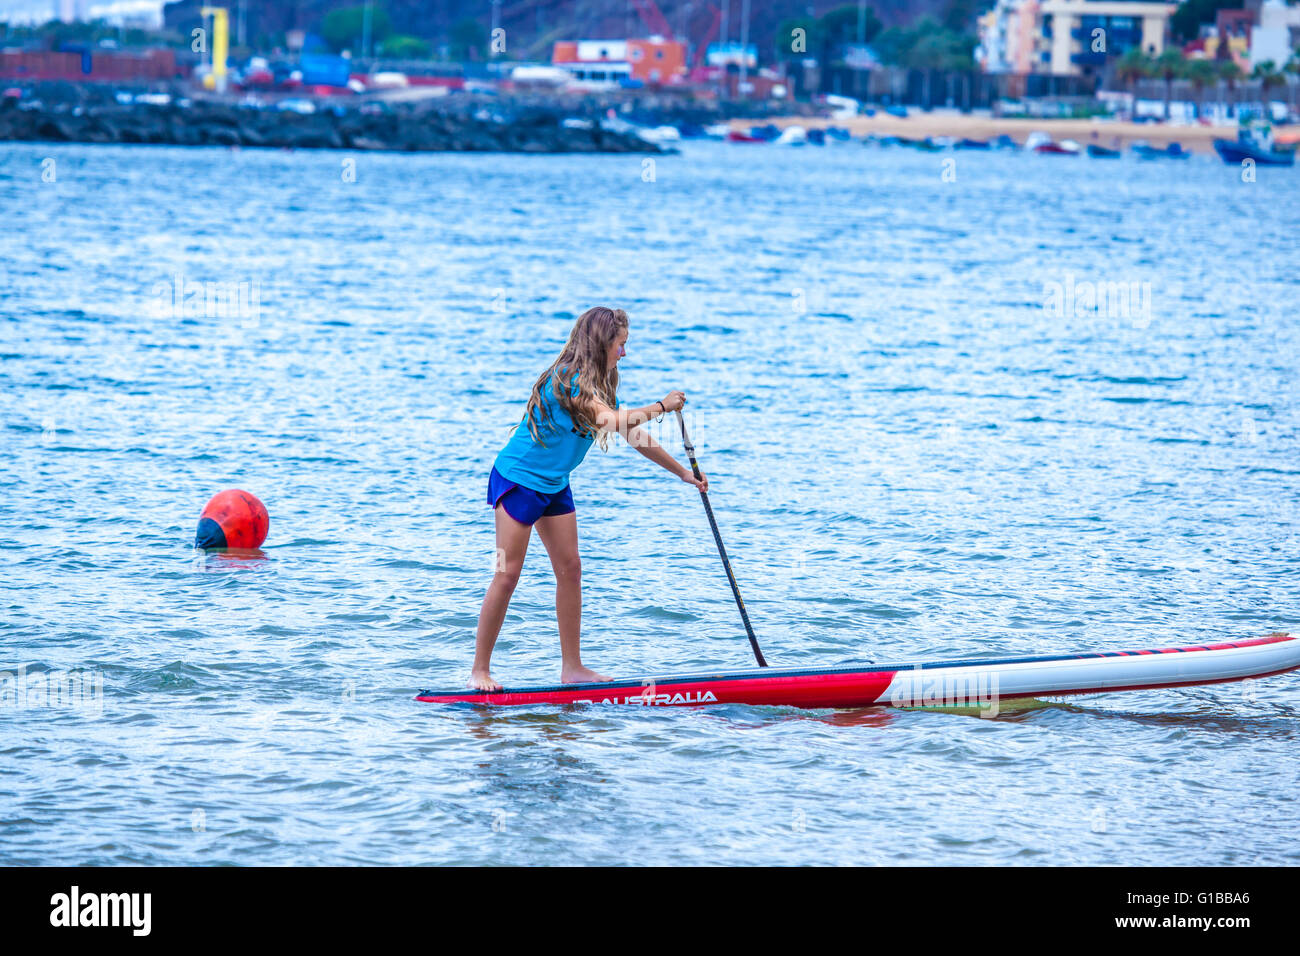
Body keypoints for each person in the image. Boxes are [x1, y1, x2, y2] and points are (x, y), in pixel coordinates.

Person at [469, 306, 707, 692]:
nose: (624, 353)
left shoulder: (604, 377)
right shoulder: (569, 379)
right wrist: (662, 406)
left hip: (554, 484)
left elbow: (631, 433)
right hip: (517, 480)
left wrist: (682, 472)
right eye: (620, 345)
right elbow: (612, 421)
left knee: (571, 569)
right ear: (602, 343)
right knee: (507, 574)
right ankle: (479, 670)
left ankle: (572, 668)